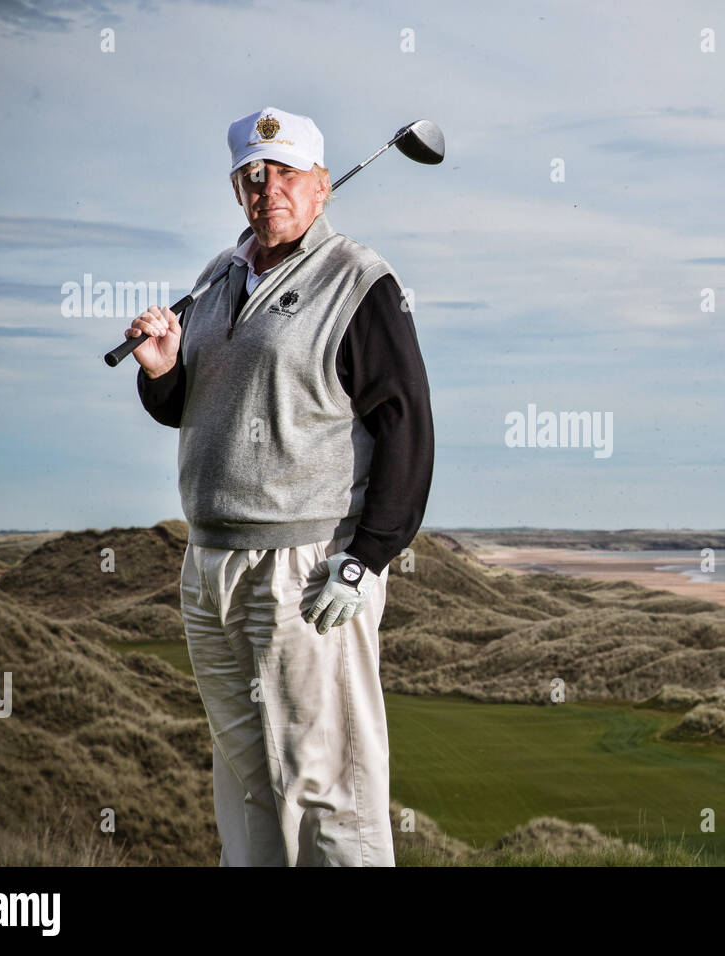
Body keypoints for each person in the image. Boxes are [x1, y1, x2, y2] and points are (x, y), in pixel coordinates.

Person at [127, 106, 434, 866]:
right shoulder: (215, 278)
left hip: (307, 568)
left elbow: (406, 429)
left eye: (289, 173)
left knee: (329, 784)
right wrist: (163, 371)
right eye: (254, 177)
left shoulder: (360, 283)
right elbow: (190, 409)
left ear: (323, 186)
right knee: (246, 780)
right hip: (210, 562)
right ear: (239, 189)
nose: (270, 191)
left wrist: (369, 558)